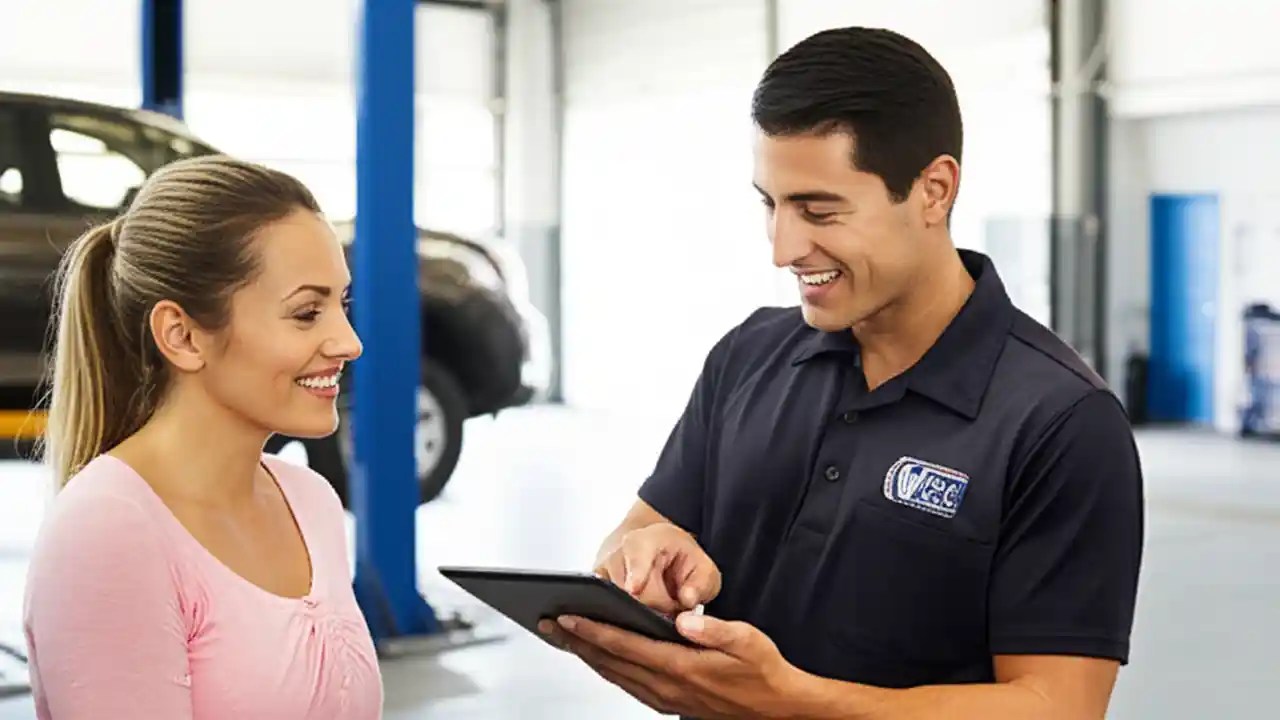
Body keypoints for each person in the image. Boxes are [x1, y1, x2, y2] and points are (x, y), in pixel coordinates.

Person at [540, 26, 1144, 719]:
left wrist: (793, 702)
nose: (784, 248)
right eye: (771, 204)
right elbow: (635, 533)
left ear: (934, 191)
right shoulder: (747, 356)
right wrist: (642, 559)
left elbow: (1057, 706)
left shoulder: (1061, 422)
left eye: (819, 211)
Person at [22, 155, 382, 718]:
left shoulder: (310, 504)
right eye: (308, 313)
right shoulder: (110, 531)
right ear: (183, 335)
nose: (348, 341)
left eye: (343, 304)